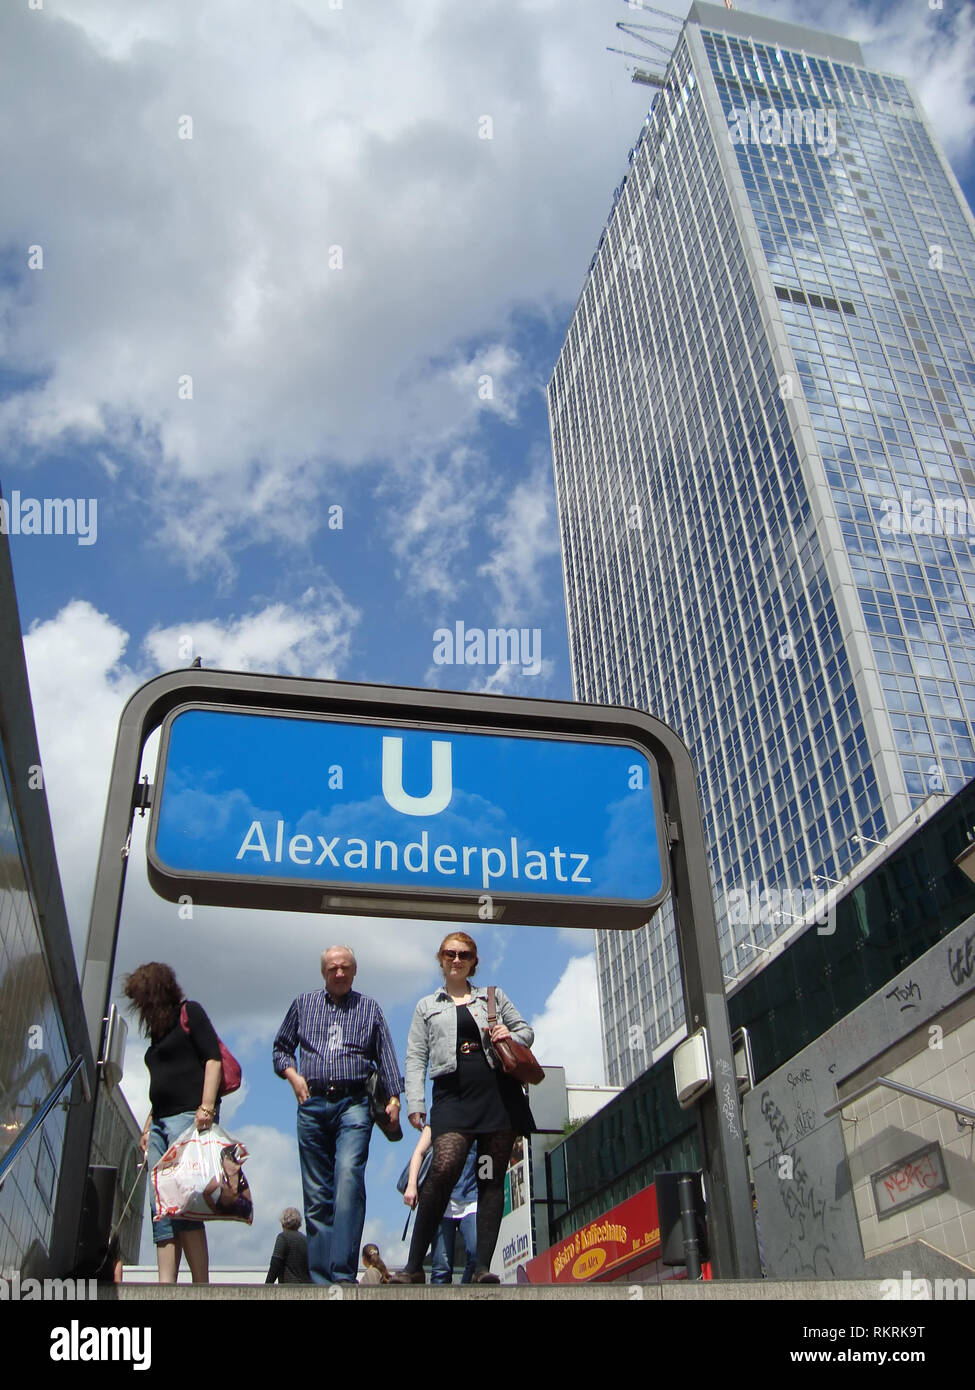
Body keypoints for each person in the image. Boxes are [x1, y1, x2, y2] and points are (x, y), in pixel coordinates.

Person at [390, 931, 535, 1284]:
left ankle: (483, 1267)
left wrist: (507, 1034)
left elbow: (526, 1033)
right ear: (441, 958)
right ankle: (413, 1268)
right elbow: (415, 1056)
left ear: (474, 962)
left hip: (497, 1098)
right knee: (442, 1170)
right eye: (451, 954)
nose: (457, 960)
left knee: (488, 1179)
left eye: (465, 955)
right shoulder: (427, 1005)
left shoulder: (493, 997)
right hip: (452, 1099)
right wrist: (416, 1101)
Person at [272, 945, 404, 1284]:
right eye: (333, 968)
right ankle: (320, 1278)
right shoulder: (303, 1004)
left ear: (354, 971)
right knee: (317, 1195)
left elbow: (386, 1055)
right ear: (323, 972)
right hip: (312, 1104)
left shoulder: (369, 1007)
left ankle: (343, 1273)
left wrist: (394, 1099)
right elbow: (281, 1048)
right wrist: (292, 1076)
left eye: (345, 967)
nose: (339, 973)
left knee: (347, 1179)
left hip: (354, 1103)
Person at [123, 961, 223, 1285]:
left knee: (184, 1204)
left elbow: (213, 1058)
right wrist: (148, 1124)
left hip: (186, 1117)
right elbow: (161, 1083)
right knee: (160, 1209)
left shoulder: (189, 1013)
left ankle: (200, 1285)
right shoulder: (158, 1029)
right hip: (160, 1122)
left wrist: (206, 1108)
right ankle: (165, 1285)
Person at [403, 1124, 477, 1284]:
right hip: (442, 1200)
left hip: (472, 1197)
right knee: (441, 1267)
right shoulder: (442, 1114)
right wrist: (412, 1185)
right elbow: (419, 1152)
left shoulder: (478, 1114)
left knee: (477, 1255)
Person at [202, 1142, 252, 1220]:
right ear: (222, 1163)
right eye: (227, 1161)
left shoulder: (242, 1182)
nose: (230, 1166)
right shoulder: (219, 1178)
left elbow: (249, 1207)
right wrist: (215, 1212)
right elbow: (206, 1194)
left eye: (234, 1162)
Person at [265, 1208, 310, 1284]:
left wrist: (267, 1286)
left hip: (289, 1287)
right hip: (307, 1288)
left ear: (283, 1223)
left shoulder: (283, 1237)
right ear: (299, 1224)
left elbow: (276, 1264)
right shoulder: (306, 1240)